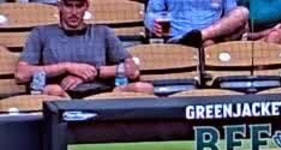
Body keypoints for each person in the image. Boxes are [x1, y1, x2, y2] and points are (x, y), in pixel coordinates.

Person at [17, 0, 156, 98]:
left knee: (144, 88)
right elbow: (21, 74)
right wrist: (67, 67)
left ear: (86, 6)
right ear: (59, 6)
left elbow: (132, 70)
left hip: (104, 92)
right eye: (68, 5)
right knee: (53, 91)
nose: (74, 12)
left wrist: (90, 73)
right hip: (61, 93)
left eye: (79, 6)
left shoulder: (103, 32)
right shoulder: (41, 33)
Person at [142, 0, 250, 47]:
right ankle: (196, 38)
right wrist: (154, 24)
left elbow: (231, 13)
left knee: (242, 12)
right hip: (178, 38)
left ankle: (200, 35)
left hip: (213, 36)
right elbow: (152, 13)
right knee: (208, 44)